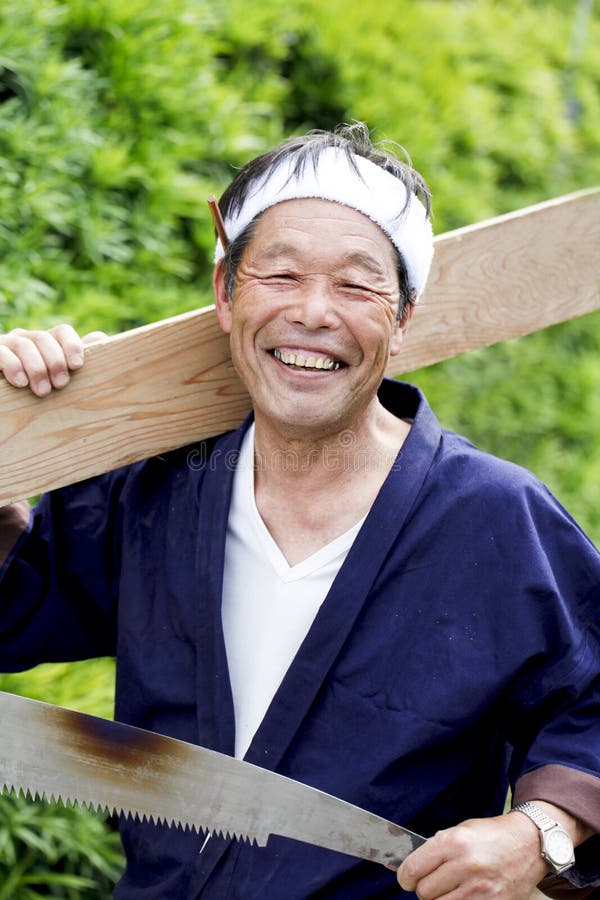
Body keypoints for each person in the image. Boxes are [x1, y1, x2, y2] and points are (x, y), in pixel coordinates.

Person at [0, 123, 598, 899]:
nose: (314, 313)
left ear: (404, 318)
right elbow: (17, 609)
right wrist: (14, 446)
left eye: (356, 285)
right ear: (225, 292)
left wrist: (540, 832)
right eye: (279, 275)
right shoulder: (148, 485)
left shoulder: (496, 519)